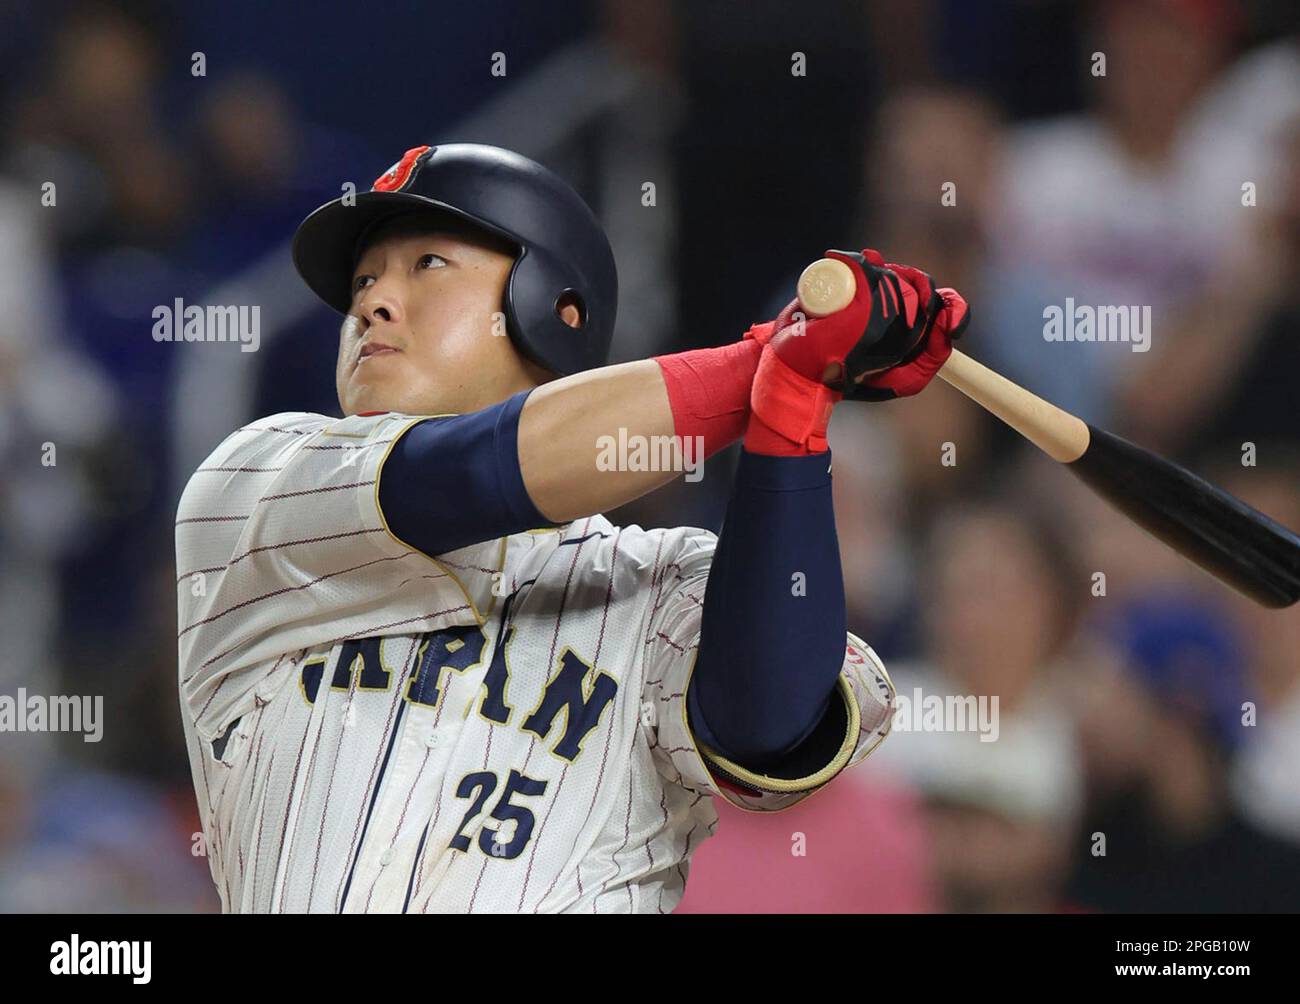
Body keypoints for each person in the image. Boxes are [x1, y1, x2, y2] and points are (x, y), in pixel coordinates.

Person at [174, 143, 968, 913]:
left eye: (428, 264)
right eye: (363, 280)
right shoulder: (258, 487)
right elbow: (479, 470)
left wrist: (793, 407)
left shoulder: (662, 580)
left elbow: (769, 719)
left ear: (555, 306)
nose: (372, 302)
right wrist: (771, 361)